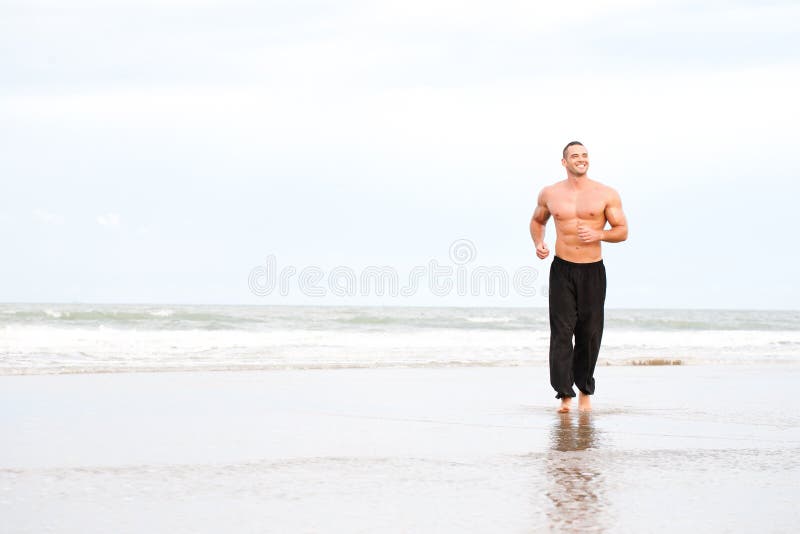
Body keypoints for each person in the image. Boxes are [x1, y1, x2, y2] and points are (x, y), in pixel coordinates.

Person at [529, 141, 628, 413]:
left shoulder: (606, 193)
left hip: (592, 270)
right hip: (562, 268)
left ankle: (585, 390)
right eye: (575, 156)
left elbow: (622, 230)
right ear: (564, 162)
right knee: (561, 332)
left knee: (590, 332)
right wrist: (539, 243)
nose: (581, 159)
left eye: (584, 155)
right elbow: (538, 221)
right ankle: (564, 395)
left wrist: (600, 234)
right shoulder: (550, 193)